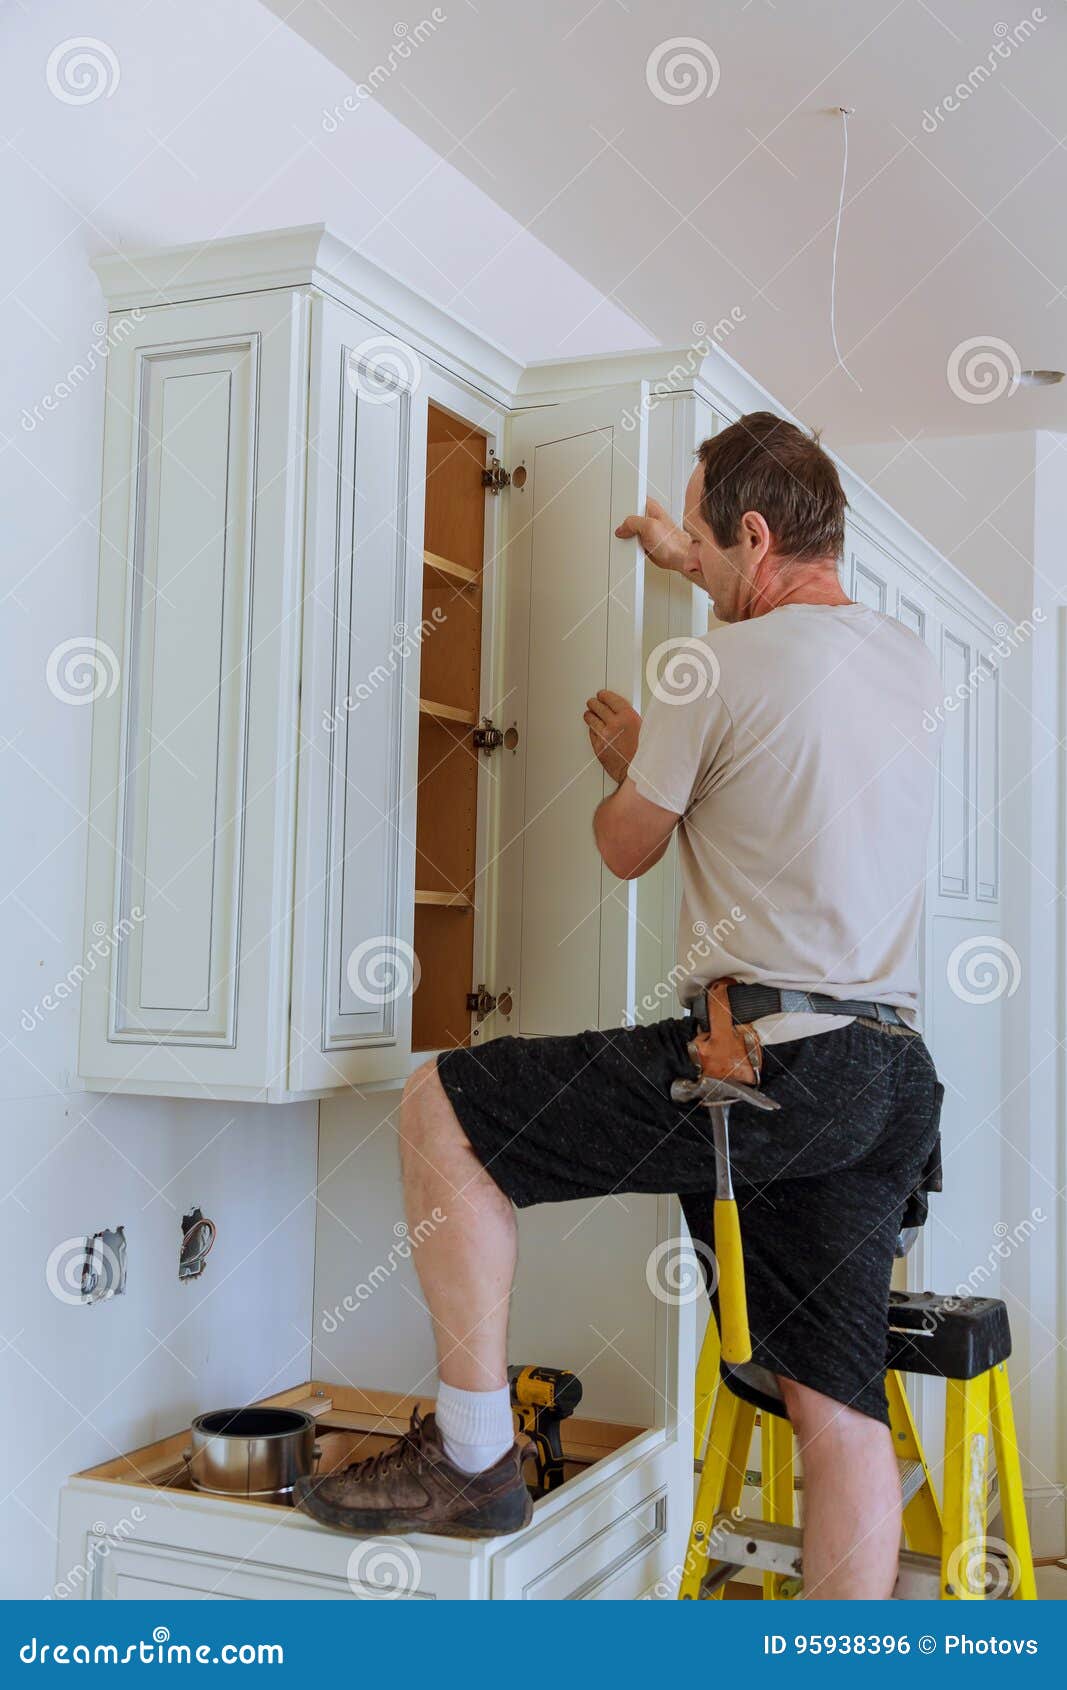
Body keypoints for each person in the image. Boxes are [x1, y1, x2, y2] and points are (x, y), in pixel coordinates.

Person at [296, 411, 945, 1600]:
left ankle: (474, 1455)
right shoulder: (906, 661)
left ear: (751, 535)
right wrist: (685, 559)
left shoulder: (706, 671)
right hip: (887, 1075)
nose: (686, 558)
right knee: (838, 1409)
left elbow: (624, 848)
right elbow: (780, 707)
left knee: (445, 1100)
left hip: (765, 1058)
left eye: (699, 540)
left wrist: (635, 763)